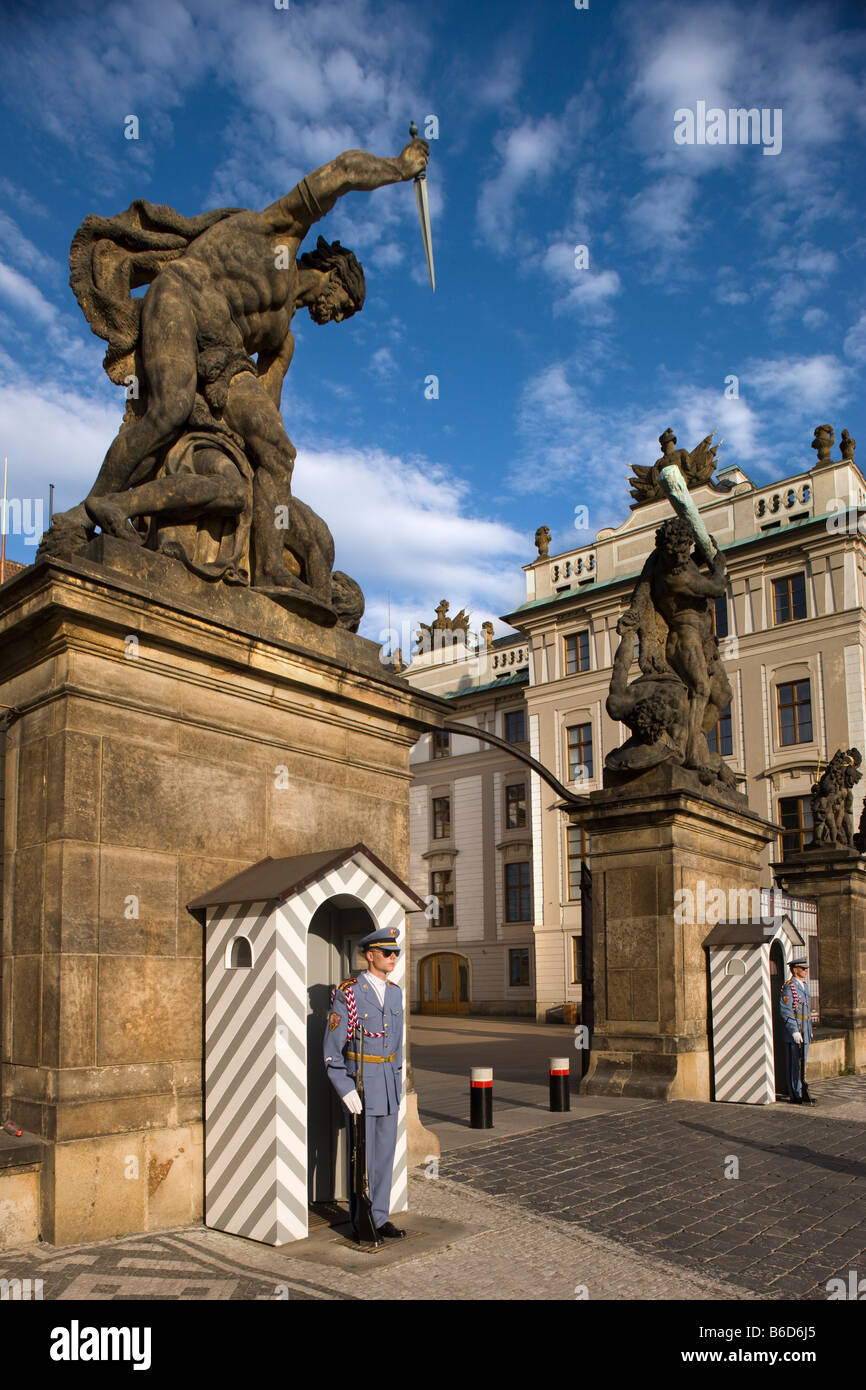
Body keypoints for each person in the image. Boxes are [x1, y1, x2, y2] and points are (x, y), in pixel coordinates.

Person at [323, 926, 406, 1240]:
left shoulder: (395, 992)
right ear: (370, 956)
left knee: (384, 1155)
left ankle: (380, 1217)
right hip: (361, 1084)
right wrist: (344, 1088)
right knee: (361, 1158)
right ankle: (360, 1222)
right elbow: (332, 1050)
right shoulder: (350, 991)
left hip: (386, 1083)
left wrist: (397, 1080)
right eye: (387, 953)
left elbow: (397, 1044)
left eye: (395, 952)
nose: (393, 957)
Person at [779, 956, 815, 1105]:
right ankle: (795, 1094)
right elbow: (786, 1011)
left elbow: (806, 1011)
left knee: (802, 1063)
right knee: (794, 1063)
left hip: (804, 1030)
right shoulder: (789, 986)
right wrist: (794, 1030)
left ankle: (801, 1091)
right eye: (803, 968)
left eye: (806, 968)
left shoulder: (804, 986)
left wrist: (809, 1030)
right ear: (795, 970)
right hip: (795, 1031)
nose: (806, 970)